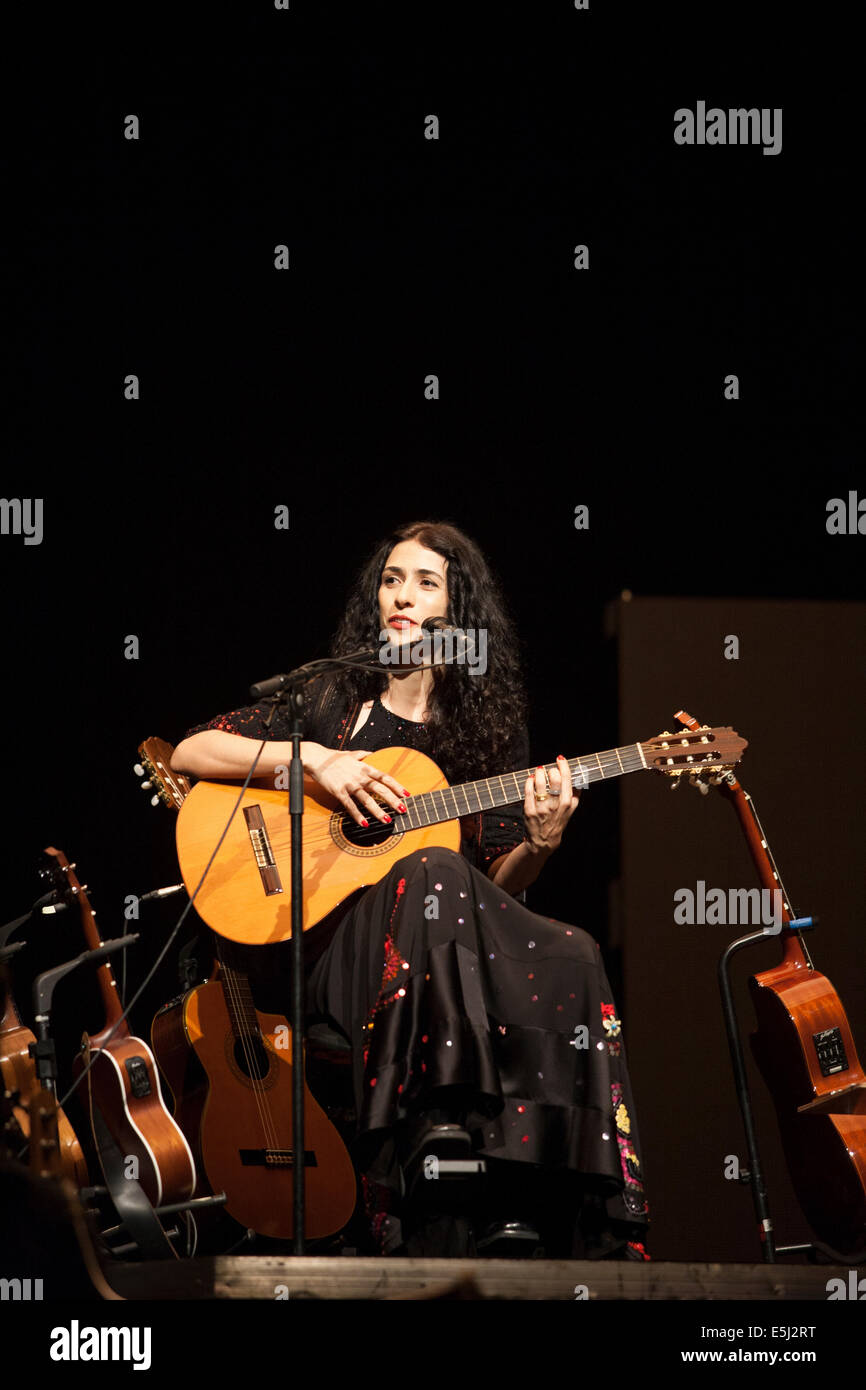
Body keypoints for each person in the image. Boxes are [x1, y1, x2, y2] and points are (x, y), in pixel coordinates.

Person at [171, 520, 649, 1258]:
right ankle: (435, 1128)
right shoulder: (336, 697)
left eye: (426, 583)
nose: (402, 595)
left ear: (457, 614)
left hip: (435, 948)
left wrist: (540, 843)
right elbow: (192, 749)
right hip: (327, 954)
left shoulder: (484, 730)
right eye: (393, 578)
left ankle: (540, 1186)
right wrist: (315, 764)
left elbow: (497, 887)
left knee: (571, 945)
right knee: (431, 870)